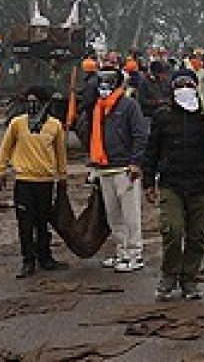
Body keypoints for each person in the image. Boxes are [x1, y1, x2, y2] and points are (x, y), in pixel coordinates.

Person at [143, 69, 204, 301]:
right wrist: (148, 182)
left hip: (200, 185)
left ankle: (189, 278)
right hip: (171, 184)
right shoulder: (163, 116)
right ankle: (169, 275)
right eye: (179, 85)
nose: (184, 90)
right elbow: (151, 151)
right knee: (172, 231)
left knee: (197, 235)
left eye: (188, 85)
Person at [0, 86, 68, 277]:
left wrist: (62, 176)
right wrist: (0, 170)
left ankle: (45, 257)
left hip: (45, 181)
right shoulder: (17, 124)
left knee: (43, 222)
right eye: (29, 101)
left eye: (36, 101)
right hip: (24, 181)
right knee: (25, 224)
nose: (32, 105)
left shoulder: (55, 126)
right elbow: (5, 148)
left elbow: (60, 153)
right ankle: (28, 260)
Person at [88, 67, 150, 273]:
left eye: (107, 82)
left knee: (130, 214)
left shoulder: (129, 106)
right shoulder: (99, 107)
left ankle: (135, 253)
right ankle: (121, 251)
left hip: (125, 168)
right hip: (105, 168)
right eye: (101, 82)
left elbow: (140, 135)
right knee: (113, 215)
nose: (103, 87)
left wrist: (135, 162)